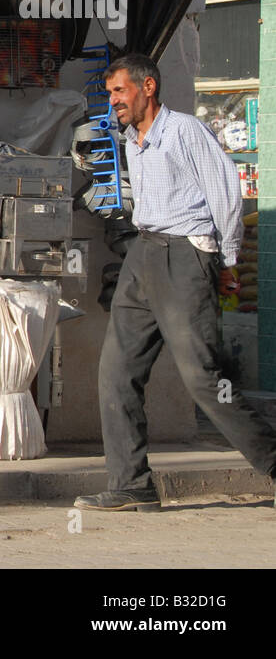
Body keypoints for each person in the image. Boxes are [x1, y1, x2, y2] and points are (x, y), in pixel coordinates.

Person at [75, 53, 276, 512]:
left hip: (187, 256)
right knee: (116, 373)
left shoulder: (185, 130)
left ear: (148, 87)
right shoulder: (132, 139)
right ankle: (132, 484)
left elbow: (227, 192)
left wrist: (223, 261)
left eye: (120, 91)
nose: (114, 101)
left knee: (204, 379)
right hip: (142, 253)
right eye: (110, 94)